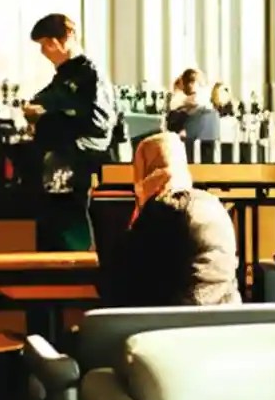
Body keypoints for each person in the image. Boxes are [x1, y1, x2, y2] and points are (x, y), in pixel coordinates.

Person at [103, 132, 240, 307]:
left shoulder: (162, 212)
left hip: (168, 328)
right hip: (220, 324)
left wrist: (139, 210)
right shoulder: (215, 206)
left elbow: (118, 287)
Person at [24, 13, 118, 251]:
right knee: (54, 227)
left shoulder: (90, 75)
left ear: (62, 40)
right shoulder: (64, 76)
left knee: (68, 229)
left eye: (47, 44)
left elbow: (100, 122)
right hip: (57, 165)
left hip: (77, 165)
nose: (44, 52)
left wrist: (50, 115)